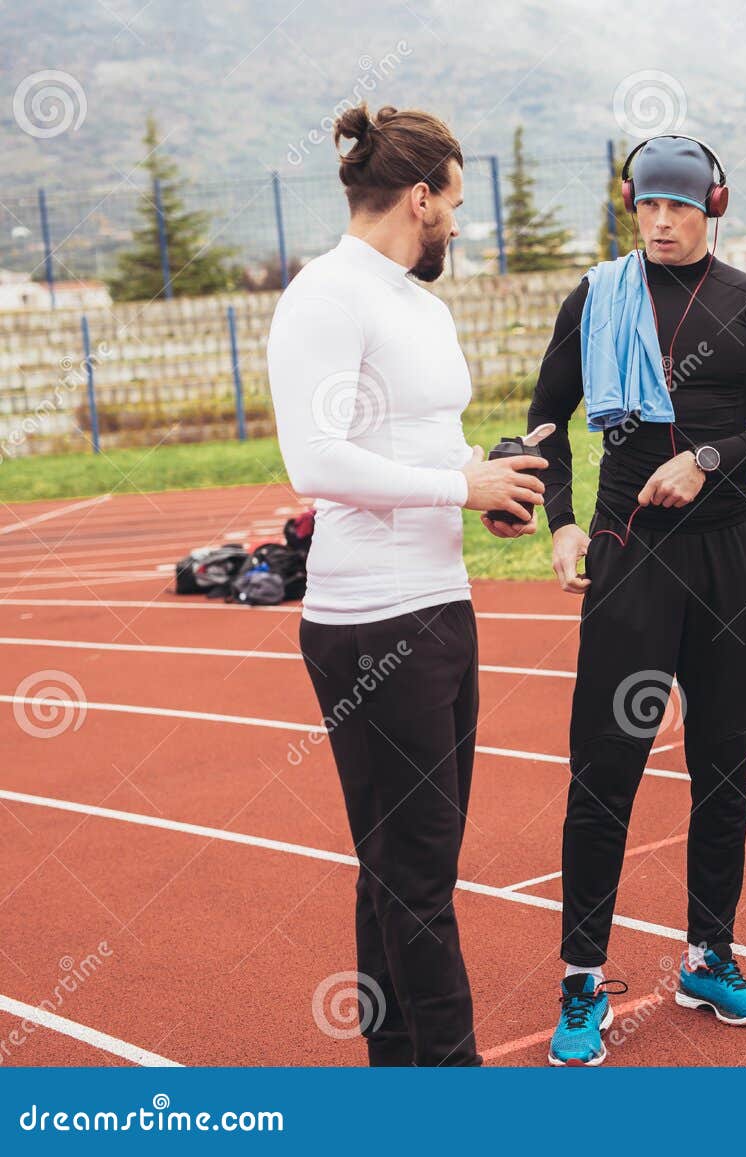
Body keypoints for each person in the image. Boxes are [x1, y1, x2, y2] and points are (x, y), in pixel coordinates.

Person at [486, 134, 746, 1064]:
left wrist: (709, 456)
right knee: (606, 768)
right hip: (630, 555)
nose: (663, 223)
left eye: (680, 206)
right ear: (632, 205)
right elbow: (545, 421)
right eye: (648, 207)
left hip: (729, 558)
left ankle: (710, 950)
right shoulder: (598, 297)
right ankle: (582, 979)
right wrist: (556, 520)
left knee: (722, 763)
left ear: (713, 203)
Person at [267, 102, 548, 1063]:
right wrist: (454, 486)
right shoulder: (325, 296)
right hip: (370, 622)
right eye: (456, 204)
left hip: (440, 605)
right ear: (419, 196)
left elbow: (420, 446)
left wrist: (488, 480)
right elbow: (315, 460)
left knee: (397, 870)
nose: (461, 225)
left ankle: (395, 1081)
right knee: (418, 877)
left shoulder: (416, 304)